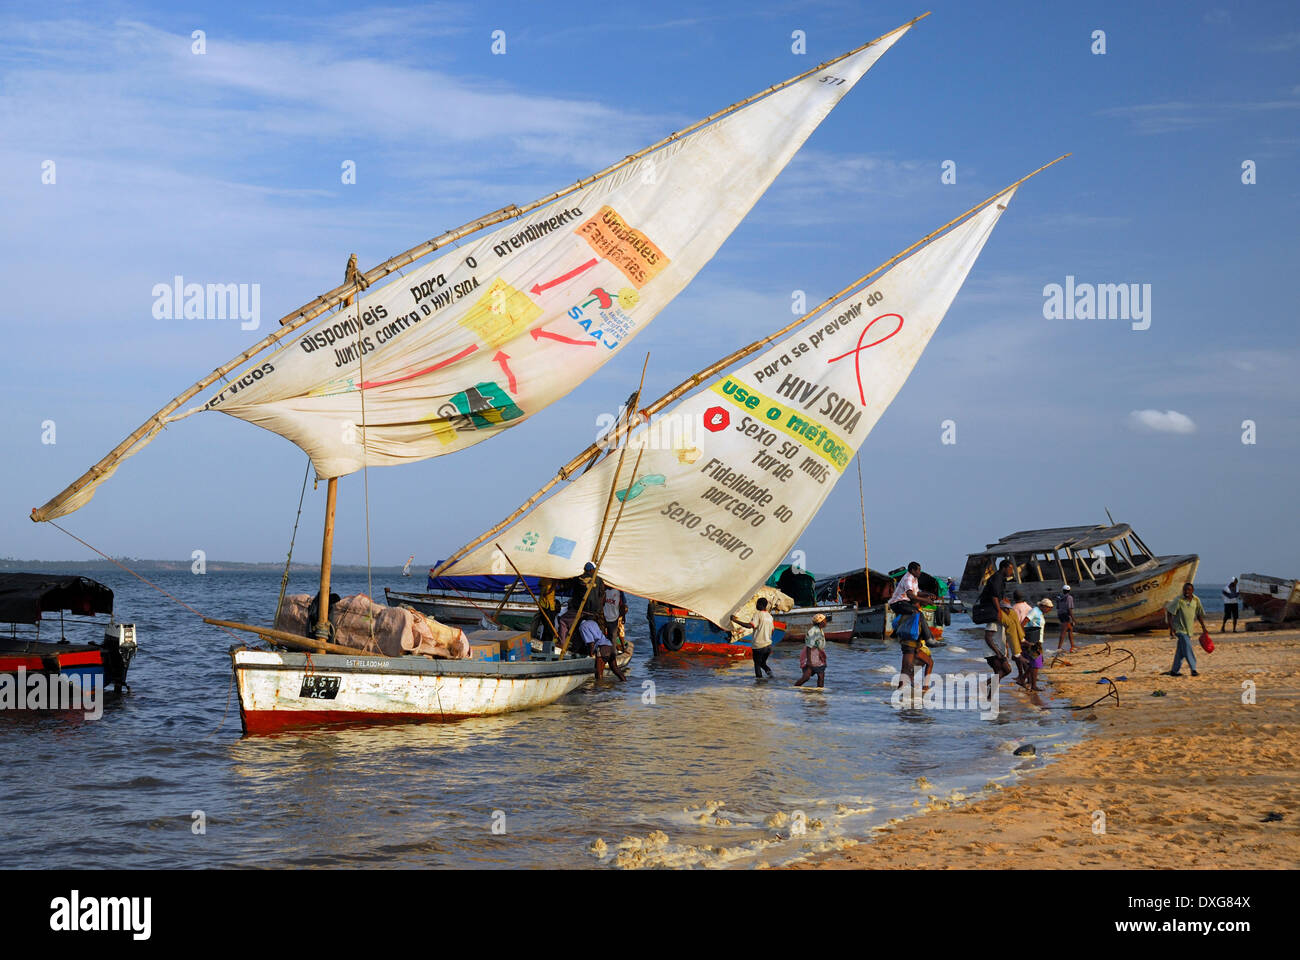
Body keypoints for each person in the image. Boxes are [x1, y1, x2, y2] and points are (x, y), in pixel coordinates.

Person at [975, 559, 1024, 678]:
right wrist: (999, 611)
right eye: (1011, 568)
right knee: (1010, 625)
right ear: (1004, 568)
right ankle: (1017, 653)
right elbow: (994, 597)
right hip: (992, 609)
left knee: (1013, 616)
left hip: (997, 606)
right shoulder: (997, 578)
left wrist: (1007, 607)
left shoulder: (1001, 579)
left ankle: (1021, 639)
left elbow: (1001, 596)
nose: (1012, 571)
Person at [1165, 582, 1209, 677]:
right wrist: (1171, 628)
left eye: (1188, 590)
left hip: (1189, 630)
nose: (1186, 592)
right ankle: (1193, 669)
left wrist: (1203, 627)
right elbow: (1169, 612)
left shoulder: (1196, 600)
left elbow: (1199, 614)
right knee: (1188, 648)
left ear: (1192, 590)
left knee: (1181, 650)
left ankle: (1174, 671)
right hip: (1180, 630)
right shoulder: (1179, 600)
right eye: (1185, 589)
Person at [889, 561, 937, 648]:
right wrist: (926, 600)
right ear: (912, 570)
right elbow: (911, 596)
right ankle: (929, 639)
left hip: (904, 602)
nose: (920, 572)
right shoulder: (908, 578)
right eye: (918, 570)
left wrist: (928, 595)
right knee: (918, 613)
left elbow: (916, 593)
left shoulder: (914, 579)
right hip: (897, 603)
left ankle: (896, 633)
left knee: (916, 613)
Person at [731, 597, 775, 679]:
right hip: (768, 646)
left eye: (757, 604)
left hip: (759, 646)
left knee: (757, 665)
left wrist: (735, 620)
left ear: (760, 605)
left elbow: (749, 626)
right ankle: (771, 677)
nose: (756, 605)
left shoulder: (758, 614)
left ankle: (759, 684)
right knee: (763, 664)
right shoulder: (770, 616)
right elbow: (772, 630)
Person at [580, 616, 627, 682]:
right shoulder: (593, 623)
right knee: (615, 669)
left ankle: (600, 690)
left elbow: (591, 643)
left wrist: (591, 653)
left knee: (599, 675)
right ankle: (625, 683)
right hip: (610, 646)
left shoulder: (582, 627)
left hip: (602, 649)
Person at [1022, 598, 1052, 692]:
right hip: (1033, 640)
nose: (1049, 610)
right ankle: (1033, 685)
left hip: (1038, 641)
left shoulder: (1040, 613)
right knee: (1036, 663)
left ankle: (1023, 679)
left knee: (1035, 662)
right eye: (1048, 608)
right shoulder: (1035, 610)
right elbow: (1024, 622)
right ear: (1043, 606)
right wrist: (1022, 637)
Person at [795, 613, 828, 688]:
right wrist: (809, 661)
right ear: (820, 622)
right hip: (811, 654)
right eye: (825, 620)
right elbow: (809, 647)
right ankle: (794, 688)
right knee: (806, 676)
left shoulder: (820, 630)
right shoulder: (813, 631)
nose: (826, 622)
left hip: (817, 654)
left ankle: (819, 692)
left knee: (821, 675)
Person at [1055, 584, 1076, 653]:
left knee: (1070, 629)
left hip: (1060, 614)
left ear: (1063, 590)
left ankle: (1072, 646)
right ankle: (1059, 648)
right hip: (1066, 615)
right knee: (1063, 631)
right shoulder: (1069, 597)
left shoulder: (1058, 597)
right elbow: (1069, 609)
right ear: (1069, 591)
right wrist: (1073, 618)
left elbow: (1057, 607)